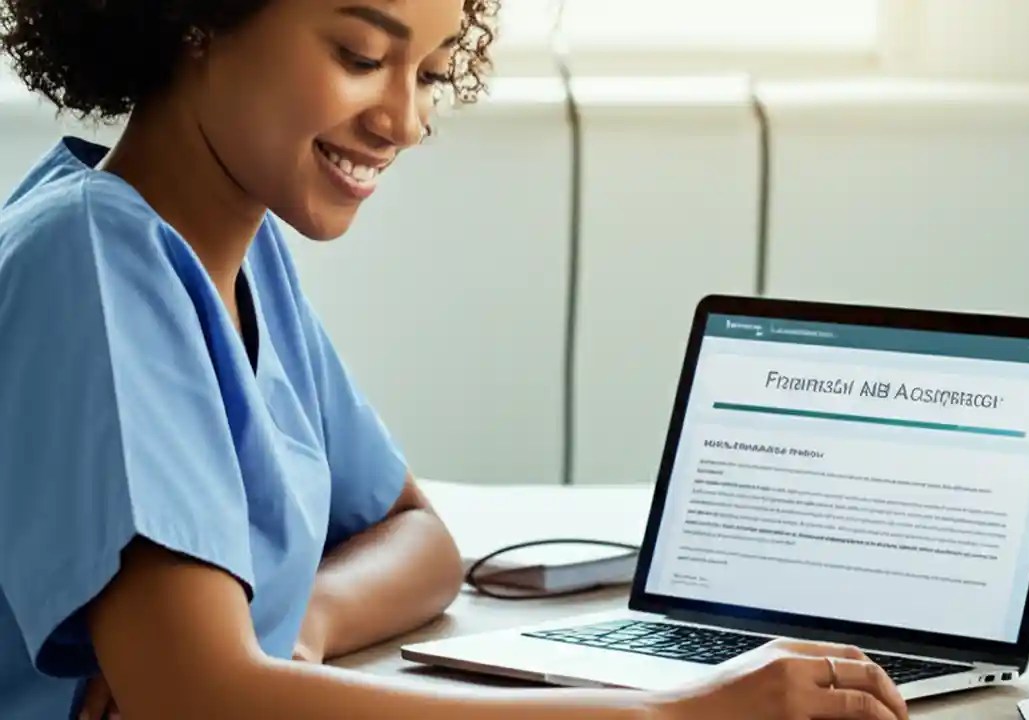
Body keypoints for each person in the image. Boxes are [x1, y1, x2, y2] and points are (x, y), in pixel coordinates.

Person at [0, 1, 910, 718]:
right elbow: (197, 703)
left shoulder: (239, 257)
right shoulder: (92, 259)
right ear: (194, 17)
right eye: (361, 56)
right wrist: (669, 715)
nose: (407, 120)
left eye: (431, 71)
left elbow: (422, 540)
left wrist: (300, 624)